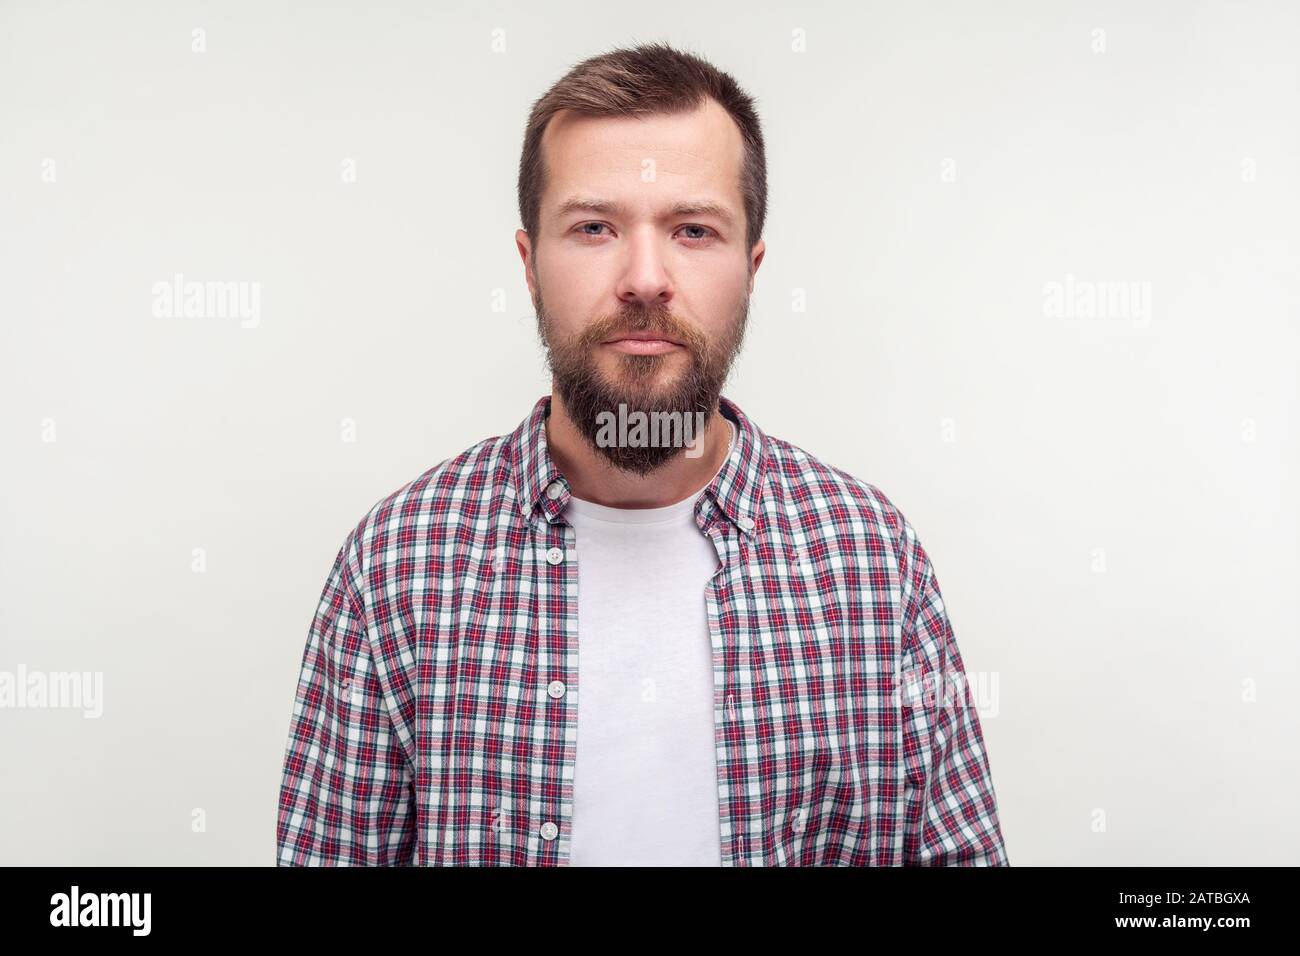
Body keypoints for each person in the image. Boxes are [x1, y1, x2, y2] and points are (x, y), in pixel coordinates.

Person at [276, 41, 1008, 866]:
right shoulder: (395, 567)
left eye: (694, 230)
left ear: (751, 267)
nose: (646, 278)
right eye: (594, 228)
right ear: (528, 265)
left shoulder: (876, 563)